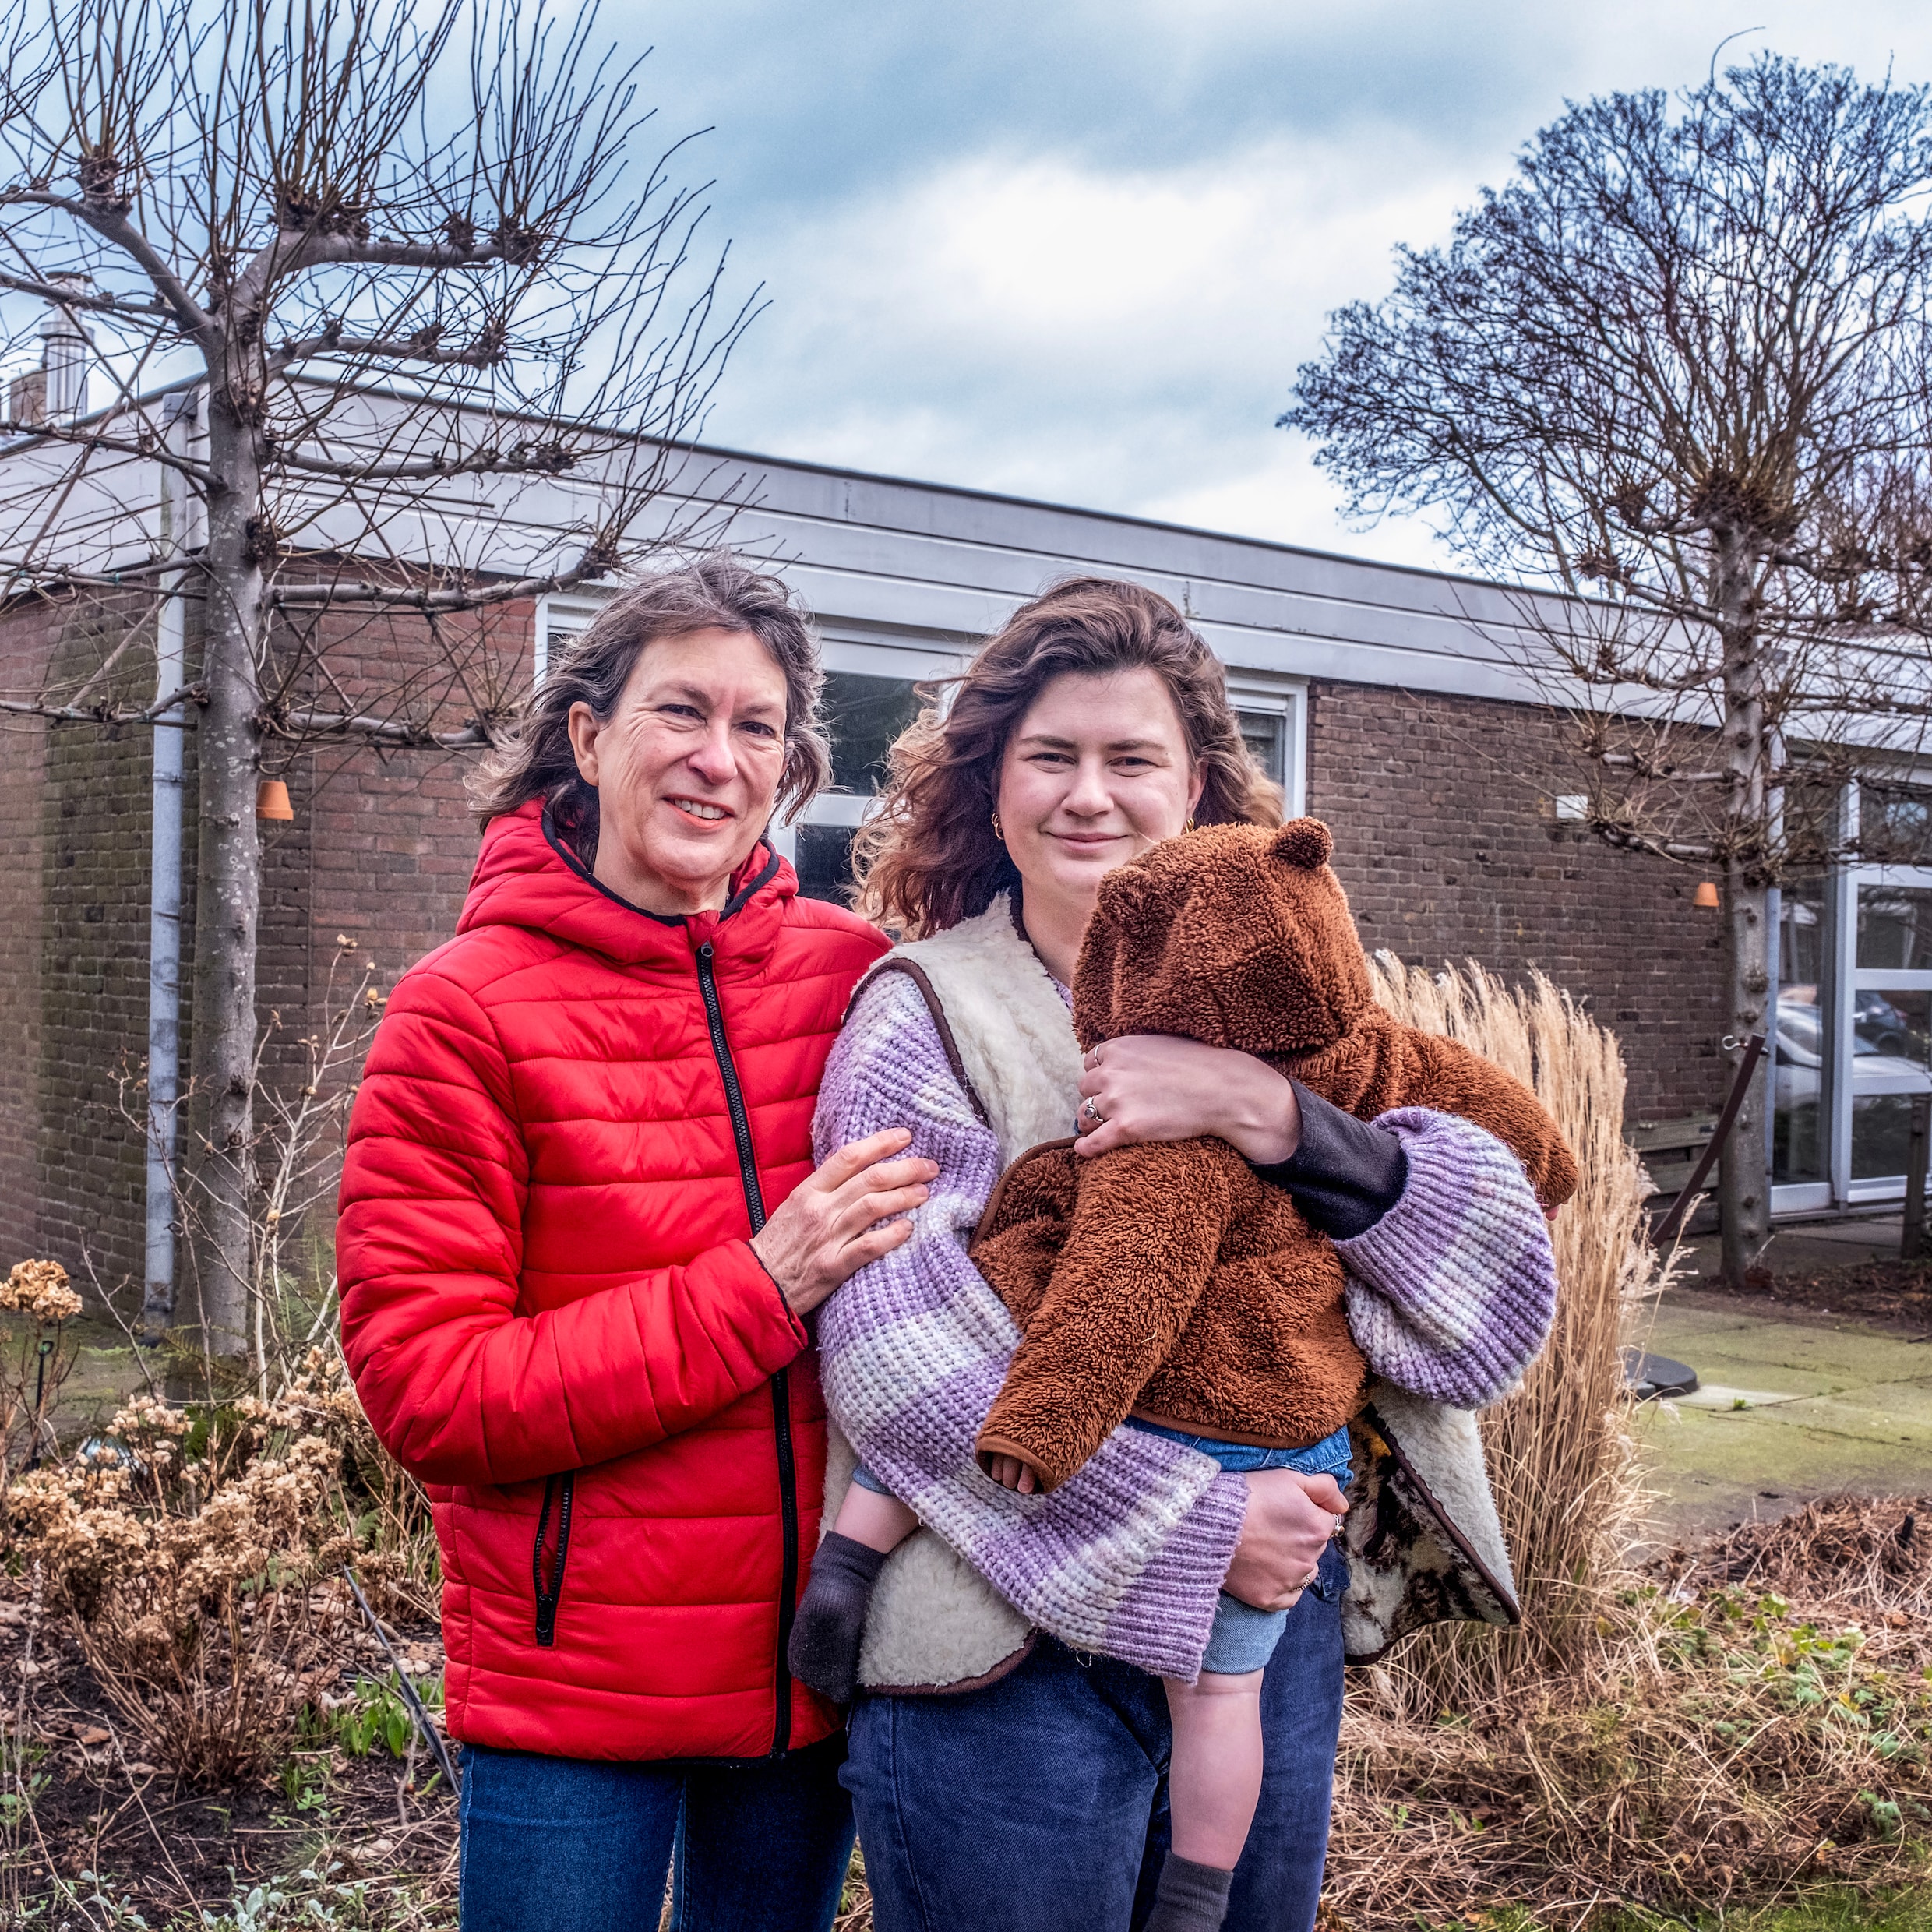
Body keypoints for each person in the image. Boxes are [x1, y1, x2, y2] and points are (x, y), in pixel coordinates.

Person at [333, 556, 1340, 1932]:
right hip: (578, 1688)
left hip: (803, 1684)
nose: (716, 759)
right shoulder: (463, 1012)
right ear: (587, 733)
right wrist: (761, 1285)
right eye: (679, 712)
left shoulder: (843, 971)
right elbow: (429, 1390)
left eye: (758, 728)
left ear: (795, 765)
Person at [796, 576, 1565, 1932]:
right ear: (992, 787)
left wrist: (1276, 1120)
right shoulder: (920, 1013)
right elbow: (897, 1355)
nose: (1090, 796)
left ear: (1200, 789)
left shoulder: (1324, 1020)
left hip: (1268, 1637)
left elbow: (1487, 1303)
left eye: (1132, 759)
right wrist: (1201, 1525)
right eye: (1051, 757)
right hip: (1001, 1654)